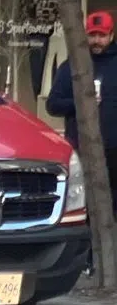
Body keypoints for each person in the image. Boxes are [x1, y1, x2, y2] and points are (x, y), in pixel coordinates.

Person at [47, 10, 117, 207]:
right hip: (81, 149)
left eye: (102, 35)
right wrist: (80, 103)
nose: (96, 40)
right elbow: (53, 105)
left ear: (111, 35)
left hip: (114, 151)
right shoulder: (72, 66)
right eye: (92, 35)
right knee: (81, 205)